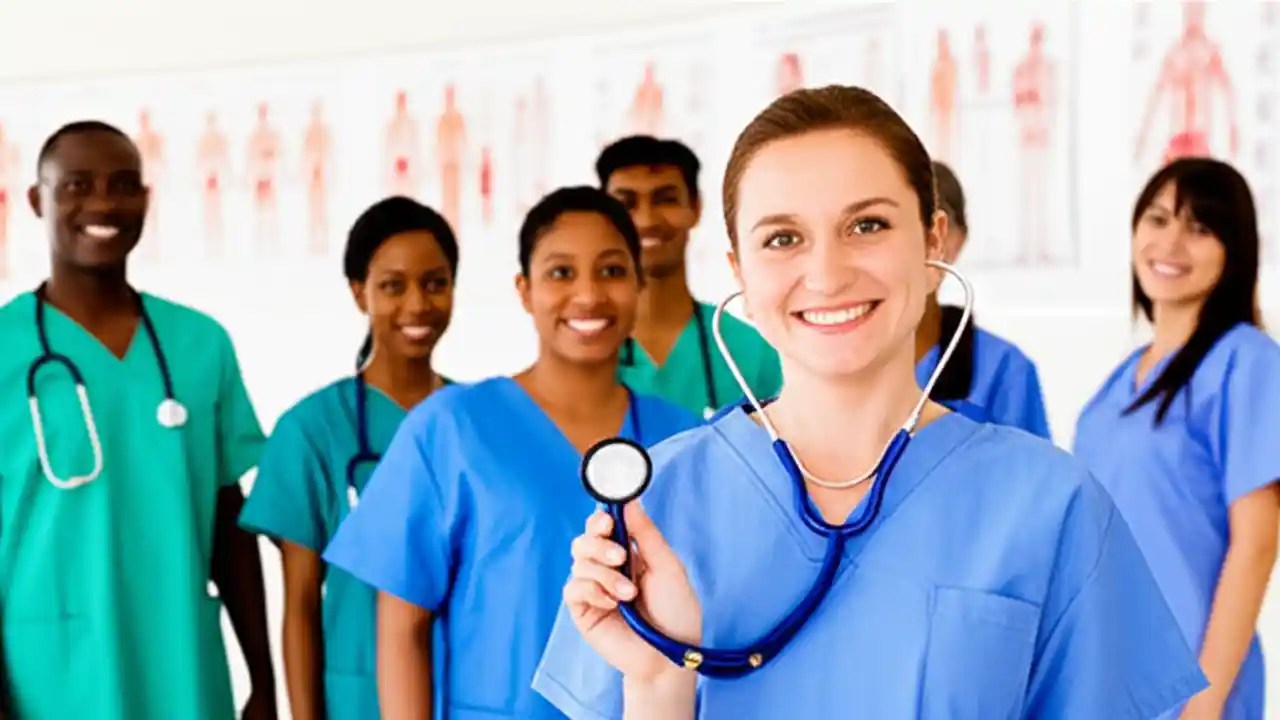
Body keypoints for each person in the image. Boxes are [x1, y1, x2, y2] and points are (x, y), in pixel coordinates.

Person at [532, 86, 1206, 718]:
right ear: (739, 268)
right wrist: (658, 685)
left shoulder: (1050, 503)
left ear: (933, 238)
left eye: (868, 225)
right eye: (783, 238)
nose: (826, 274)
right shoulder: (656, 506)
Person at [323, 187, 702, 719]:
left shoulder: (684, 440)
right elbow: (402, 626)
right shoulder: (452, 427)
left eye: (613, 271)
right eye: (561, 272)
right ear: (524, 290)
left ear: (640, 283)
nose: (589, 295)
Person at [0, 121, 275, 718]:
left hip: (177, 661)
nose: (102, 202)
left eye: (123, 185)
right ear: (35, 200)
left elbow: (229, 521)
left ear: (145, 200)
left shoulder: (200, 345)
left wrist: (263, 677)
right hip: (46, 672)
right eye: (76, 185)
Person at [238, 197, 459, 720]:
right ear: (359, 292)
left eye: (435, 282)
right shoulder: (312, 430)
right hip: (360, 697)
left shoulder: (475, 422)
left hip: (470, 690)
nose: (417, 305)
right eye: (392, 285)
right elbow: (300, 602)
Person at [1074, 158, 1279, 720]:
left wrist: (1204, 702)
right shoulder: (1121, 381)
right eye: (1158, 219)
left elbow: (1256, 542)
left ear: (1234, 250)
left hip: (1190, 688)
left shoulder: (1248, 363)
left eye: (1200, 227)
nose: (1171, 242)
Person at [596, 136, 782, 420]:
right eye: (627, 203)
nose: (647, 220)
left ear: (695, 207)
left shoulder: (751, 353)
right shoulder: (586, 350)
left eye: (666, 199)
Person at [918, 161, 1052, 438]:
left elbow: (1030, 477)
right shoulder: (833, 358)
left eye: (929, 227)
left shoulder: (1004, 370)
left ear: (952, 240)